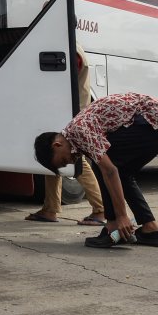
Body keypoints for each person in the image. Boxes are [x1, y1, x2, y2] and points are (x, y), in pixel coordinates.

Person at [34, 92, 158, 248]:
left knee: (108, 166)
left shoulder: (78, 132)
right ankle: (151, 230)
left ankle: (114, 225)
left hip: (157, 120)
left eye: (64, 160)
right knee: (121, 172)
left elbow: (110, 171)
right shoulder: (76, 133)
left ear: (57, 145)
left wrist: (122, 216)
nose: (70, 162)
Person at [24, 47, 106, 226]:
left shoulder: (67, 46)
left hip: (69, 111)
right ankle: (50, 208)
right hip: (62, 109)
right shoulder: (66, 43)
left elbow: (61, 80)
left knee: (78, 161)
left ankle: (101, 209)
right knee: (52, 156)